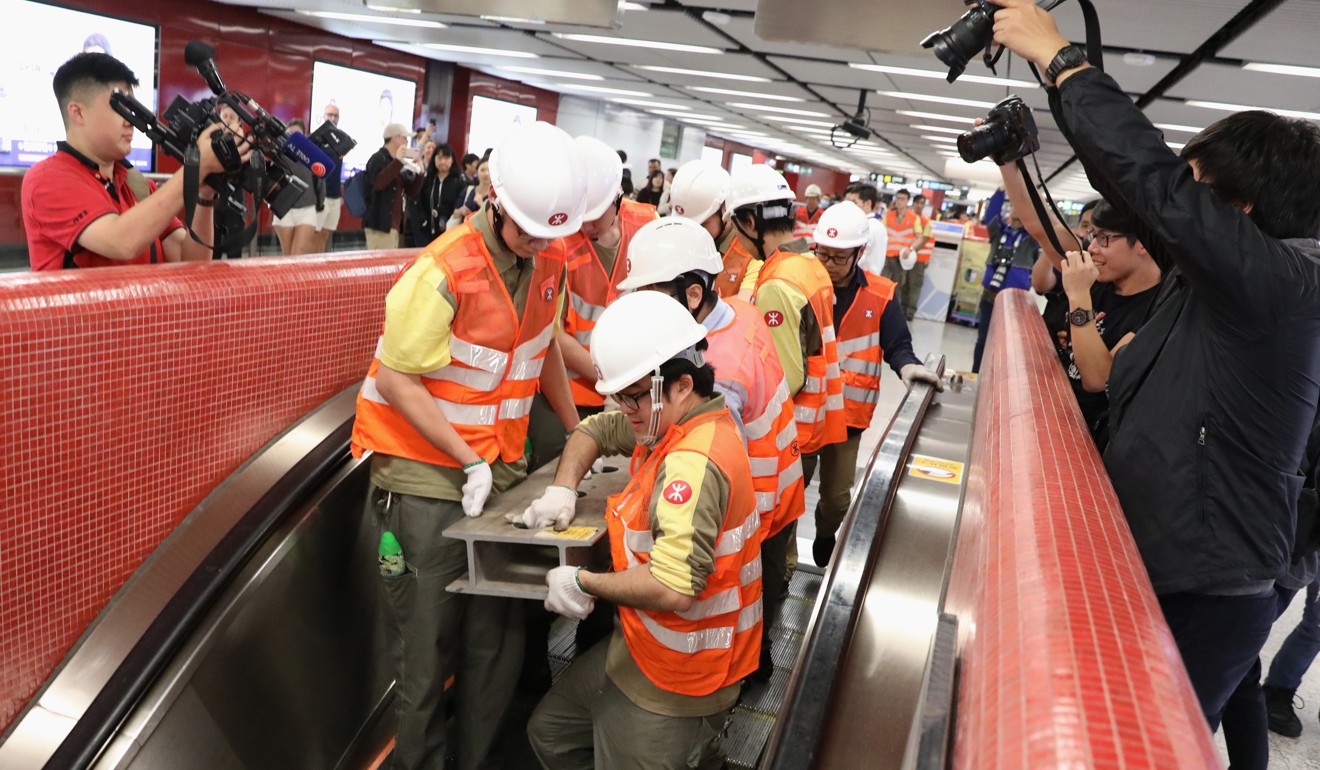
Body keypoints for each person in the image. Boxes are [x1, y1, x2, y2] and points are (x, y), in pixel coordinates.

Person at [994, 0, 1320, 738]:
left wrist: (1063, 62)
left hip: (1201, 587)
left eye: (1197, 190)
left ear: (1236, 209)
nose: (1176, 215)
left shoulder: (1279, 288)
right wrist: (1025, 148)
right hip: (1169, 557)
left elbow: (1153, 188)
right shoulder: (1219, 284)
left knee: (1136, 744)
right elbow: (1131, 194)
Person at [349, 120, 587, 770]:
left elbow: (544, 352)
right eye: (527, 229)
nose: (538, 242)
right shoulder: (444, 268)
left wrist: (577, 431)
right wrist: (467, 456)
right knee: (425, 656)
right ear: (495, 199)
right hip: (426, 481)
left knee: (496, 649)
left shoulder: (549, 261)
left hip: (502, 480)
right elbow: (397, 378)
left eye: (549, 231)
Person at [525, 291, 762, 770]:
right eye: (621, 396)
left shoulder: (692, 463)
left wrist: (582, 582)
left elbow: (674, 587)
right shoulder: (670, 423)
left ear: (680, 385)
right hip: (641, 646)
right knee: (548, 732)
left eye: (633, 396)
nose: (625, 409)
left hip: (682, 675)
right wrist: (563, 490)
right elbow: (593, 431)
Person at [615, 216, 805, 684]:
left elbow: (706, 466)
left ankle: (729, 693)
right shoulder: (741, 309)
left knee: (736, 619)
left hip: (746, 514)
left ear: (693, 295)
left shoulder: (715, 371)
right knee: (760, 610)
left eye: (651, 295)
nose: (643, 310)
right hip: (778, 490)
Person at [738, 164, 846, 667]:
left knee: (763, 544)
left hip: (787, 437)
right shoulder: (810, 265)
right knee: (780, 541)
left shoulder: (778, 283)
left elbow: (784, 375)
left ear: (751, 221)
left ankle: (756, 654)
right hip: (811, 428)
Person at [808, 202, 941, 566]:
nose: (828, 265)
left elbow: (897, 345)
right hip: (799, 411)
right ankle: (783, 562)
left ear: (859, 253)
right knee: (786, 494)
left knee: (836, 497)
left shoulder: (881, 294)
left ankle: (824, 531)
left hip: (846, 419)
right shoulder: (799, 287)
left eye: (839, 258)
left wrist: (908, 367)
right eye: (822, 255)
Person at [22, 52, 236, 270]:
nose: (130, 121)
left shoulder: (138, 186)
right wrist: (196, 167)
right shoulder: (47, 180)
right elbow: (122, 242)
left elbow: (191, 262)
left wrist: (204, 195)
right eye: (119, 108)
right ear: (77, 113)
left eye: (132, 109)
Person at [526, 135, 656, 468]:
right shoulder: (555, 243)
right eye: (579, 215)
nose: (585, 225)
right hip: (567, 391)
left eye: (595, 216)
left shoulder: (649, 228)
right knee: (557, 469)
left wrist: (629, 389)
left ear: (618, 199)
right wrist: (612, 384)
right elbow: (553, 335)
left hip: (632, 390)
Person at [970, 194, 1039, 374]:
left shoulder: (1031, 239)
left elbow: (1041, 225)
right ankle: (976, 374)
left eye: (1021, 208)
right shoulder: (999, 232)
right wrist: (1000, 192)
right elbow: (991, 214)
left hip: (1016, 299)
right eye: (1015, 207)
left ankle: (1000, 379)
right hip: (990, 295)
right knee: (983, 339)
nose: (1017, 211)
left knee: (1008, 343)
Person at [363, 122, 424, 250]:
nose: (407, 141)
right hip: (379, 226)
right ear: (395, 138)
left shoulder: (396, 162)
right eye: (404, 138)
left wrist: (421, 173)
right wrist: (398, 161)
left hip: (394, 226)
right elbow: (379, 183)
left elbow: (410, 192)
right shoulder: (378, 158)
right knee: (378, 265)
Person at [271, 119, 322, 256]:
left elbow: (320, 181)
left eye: (298, 135)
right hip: (285, 209)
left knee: (298, 254)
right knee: (287, 255)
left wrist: (320, 203)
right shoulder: (278, 154)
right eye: (290, 134)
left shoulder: (312, 155)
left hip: (307, 208)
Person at [881, 188, 924, 320]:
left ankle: (893, 314)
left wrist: (910, 249)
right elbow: (881, 232)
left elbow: (920, 238)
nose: (899, 202)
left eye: (902, 199)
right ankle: (881, 310)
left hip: (901, 258)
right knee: (883, 283)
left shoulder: (913, 218)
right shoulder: (888, 215)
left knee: (898, 287)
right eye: (898, 198)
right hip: (887, 256)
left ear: (907, 201)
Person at [410, 142, 463, 247]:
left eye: (446, 158)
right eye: (439, 158)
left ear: (452, 160)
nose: (442, 161)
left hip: (450, 232)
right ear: (434, 160)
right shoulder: (427, 180)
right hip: (426, 232)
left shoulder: (459, 182)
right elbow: (418, 203)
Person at [668, 160, 731, 245]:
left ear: (725, 209)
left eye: (701, 225)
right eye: (683, 225)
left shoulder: (747, 252)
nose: (690, 234)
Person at [311, 103, 343, 253]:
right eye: (329, 115)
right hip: (320, 197)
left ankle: (319, 268)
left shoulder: (341, 140)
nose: (332, 118)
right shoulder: (316, 139)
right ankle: (310, 268)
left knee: (325, 234)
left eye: (335, 115)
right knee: (315, 235)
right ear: (323, 116)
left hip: (335, 196)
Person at [843, 182, 889, 274]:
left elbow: (859, 259)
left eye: (855, 202)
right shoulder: (877, 224)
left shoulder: (868, 226)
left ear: (868, 203)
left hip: (863, 277)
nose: (851, 206)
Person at [448, 155, 491, 231]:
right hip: (464, 232)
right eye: (482, 170)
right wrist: (462, 210)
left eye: (489, 170)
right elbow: (455, 213)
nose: (486, 174)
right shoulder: (468, 190)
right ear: (477, 172)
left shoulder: (496, 195)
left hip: (483, 235)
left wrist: (481, 205)